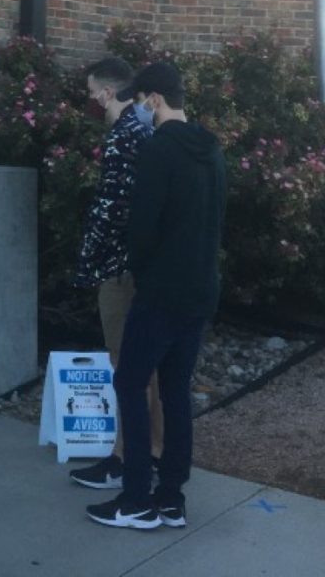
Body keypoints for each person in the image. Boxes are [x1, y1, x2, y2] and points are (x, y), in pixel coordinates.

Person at [86, 61, 226, 532]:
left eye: (142, 101)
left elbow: (141, 229)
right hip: (201, 288)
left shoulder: (159, 150)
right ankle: (171, 497)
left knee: (129, 382)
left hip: (161, 290)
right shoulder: (213, 150)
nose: (140, 109)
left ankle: (135, 499)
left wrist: (144, 272)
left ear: (154, 101)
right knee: (175, 391)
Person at [69, 56, 163, 490]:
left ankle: (126, 459)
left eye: (92, 94)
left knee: (126, 366)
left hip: (119, 270)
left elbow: (111, 209)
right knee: (150, 367)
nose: (92, 102)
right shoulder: (148, 130)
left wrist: (88, 262)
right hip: (145, 265)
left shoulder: (123, 136)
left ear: (107, 93)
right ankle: (154, 451)